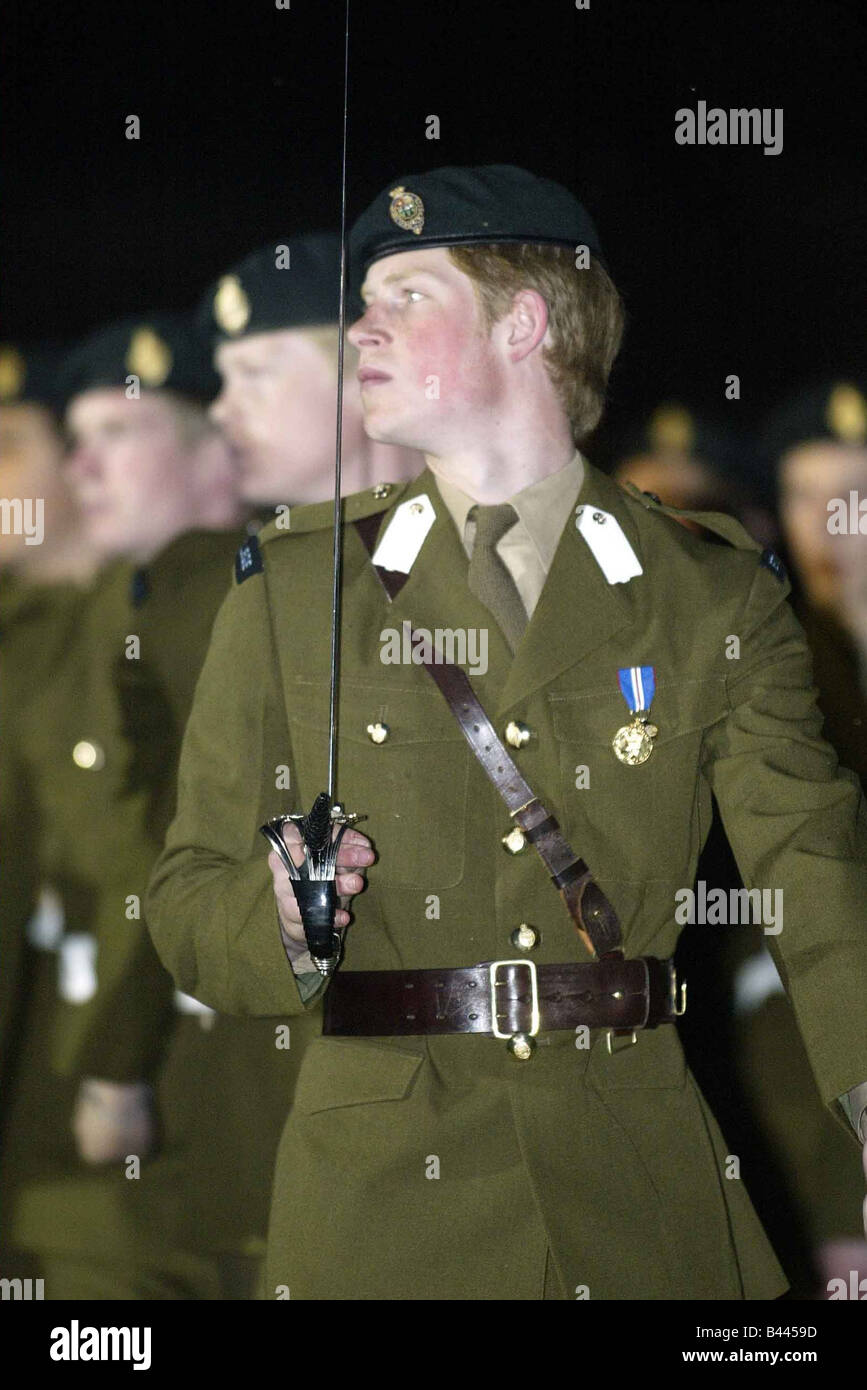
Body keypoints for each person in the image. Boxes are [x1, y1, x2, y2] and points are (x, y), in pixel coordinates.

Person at [147, 165, 867, 1300]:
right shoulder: (295, 590)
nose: (360, 331)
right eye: (360, 304)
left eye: (405, 297)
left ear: (525, 323)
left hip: (636, 1182)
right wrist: (278, 916)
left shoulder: (708, 591)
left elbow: (815, 866)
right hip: (385, 1201)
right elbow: (186, 897)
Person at [203, 233, 422, 511]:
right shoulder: (261, 553)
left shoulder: (478, 546)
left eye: (253, 373)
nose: (220, 411)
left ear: (363, 372)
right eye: (225, 381)